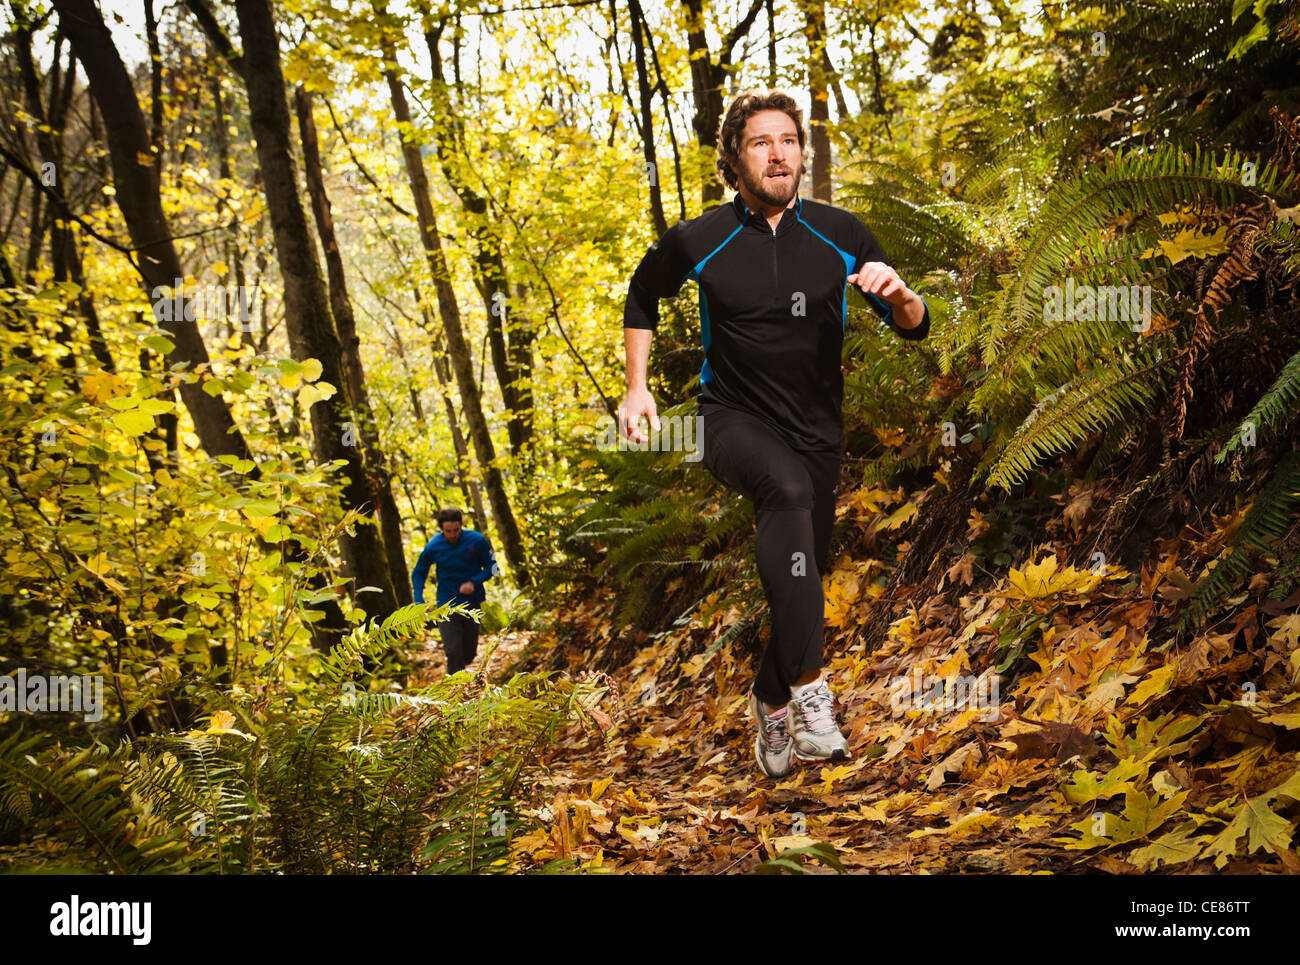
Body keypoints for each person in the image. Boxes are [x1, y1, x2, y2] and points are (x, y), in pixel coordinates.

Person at [619, 90, 930, 779]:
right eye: (760, 142)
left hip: (816, 428)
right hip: (728, 419)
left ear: (802, 151)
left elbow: (914, 325)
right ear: (735, 158)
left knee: (803, 574)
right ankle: (812, 694)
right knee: (784, 492)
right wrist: (637, 385)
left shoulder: (839, 233)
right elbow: (643, 294)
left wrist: (903, 294)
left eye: (787, 139)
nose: (778, 152)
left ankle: (768, 699)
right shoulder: (702, 239)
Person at [411, 508, 498, 675]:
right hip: (446, 603)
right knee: (452, 651)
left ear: (461, 526)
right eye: (447, 531)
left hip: (472, 603)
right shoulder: (433, 546)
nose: (452, 535)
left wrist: (474, 582)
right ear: (441, 529)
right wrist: (419, 601)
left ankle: (461, 673)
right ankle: (455, 692)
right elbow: (419, 572)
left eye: (456, 530)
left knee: (468, 653)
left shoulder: (476, 540)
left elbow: (493, 567)